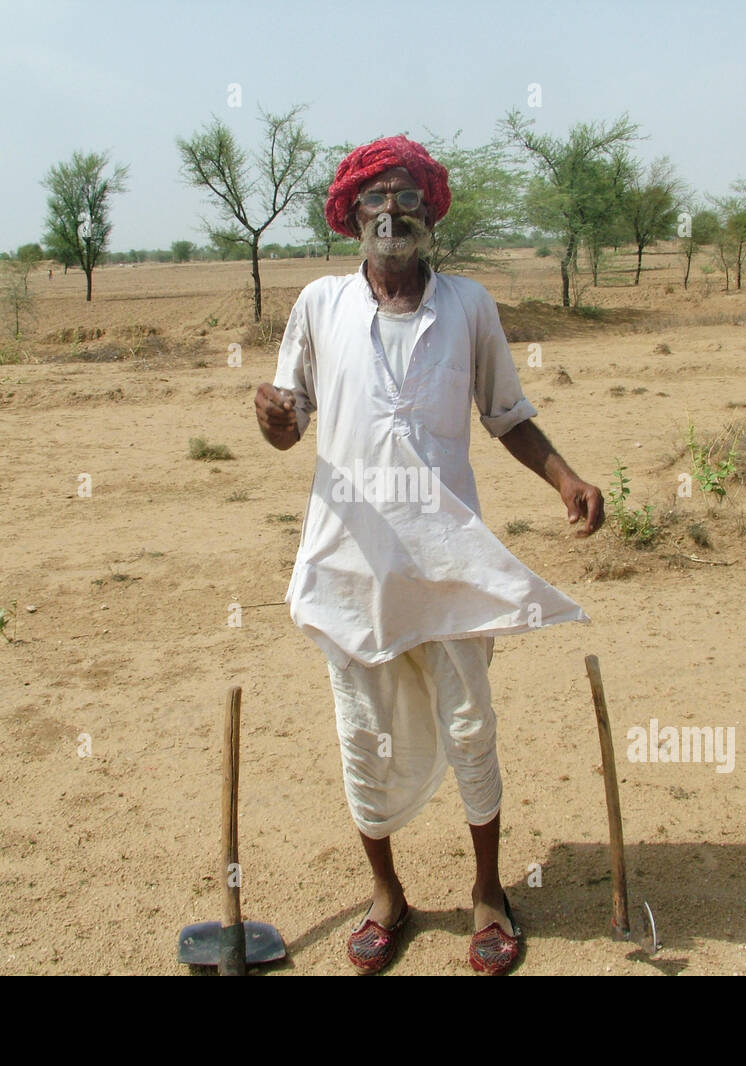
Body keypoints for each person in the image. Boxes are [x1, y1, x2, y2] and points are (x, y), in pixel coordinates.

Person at [254, 135, 603, 975]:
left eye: (407, 196)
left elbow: (506, 412)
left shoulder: (470, 307)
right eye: (374, 199)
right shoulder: (319, 306)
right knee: (362, 735)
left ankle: (489, 893)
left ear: (429, 212)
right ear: (351, 218)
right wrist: (272, 418)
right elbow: (288, 421)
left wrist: (564, 477)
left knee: (470, 725)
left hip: (449, 564)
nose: (391, 211)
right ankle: (388, 899)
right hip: (351, 564)